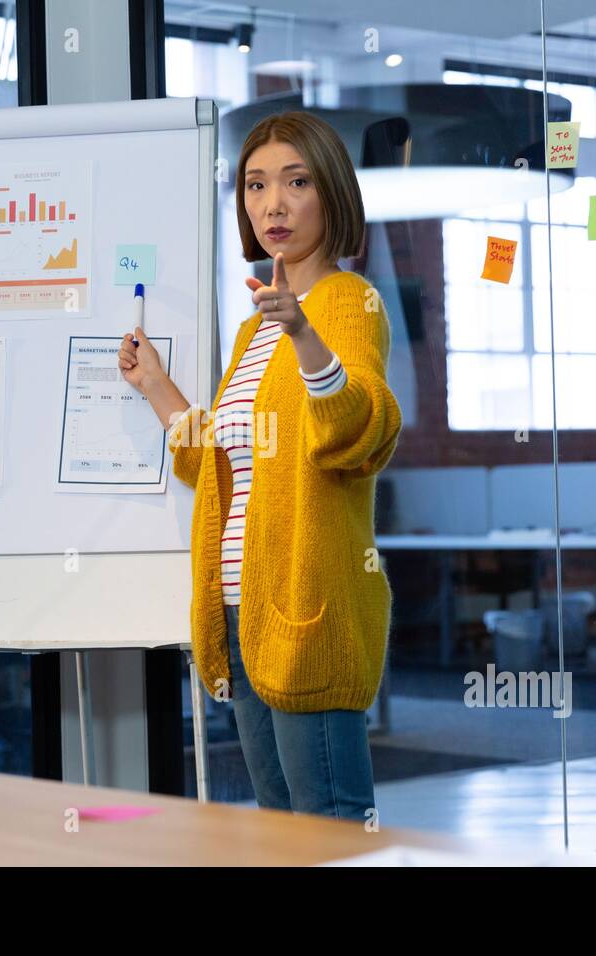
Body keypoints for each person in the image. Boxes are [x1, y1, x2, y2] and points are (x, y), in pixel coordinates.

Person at [118, 110, 401, 820]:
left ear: (330, 192)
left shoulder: (347, 302)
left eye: (295, 181)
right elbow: (221, 463)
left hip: (311, 604)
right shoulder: (254, 326)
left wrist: (303, 333)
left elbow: (357, 429)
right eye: (255, 186)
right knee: (279, 829)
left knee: (329, 826)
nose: (272, 204)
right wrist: (157, 386)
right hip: (245, 609)